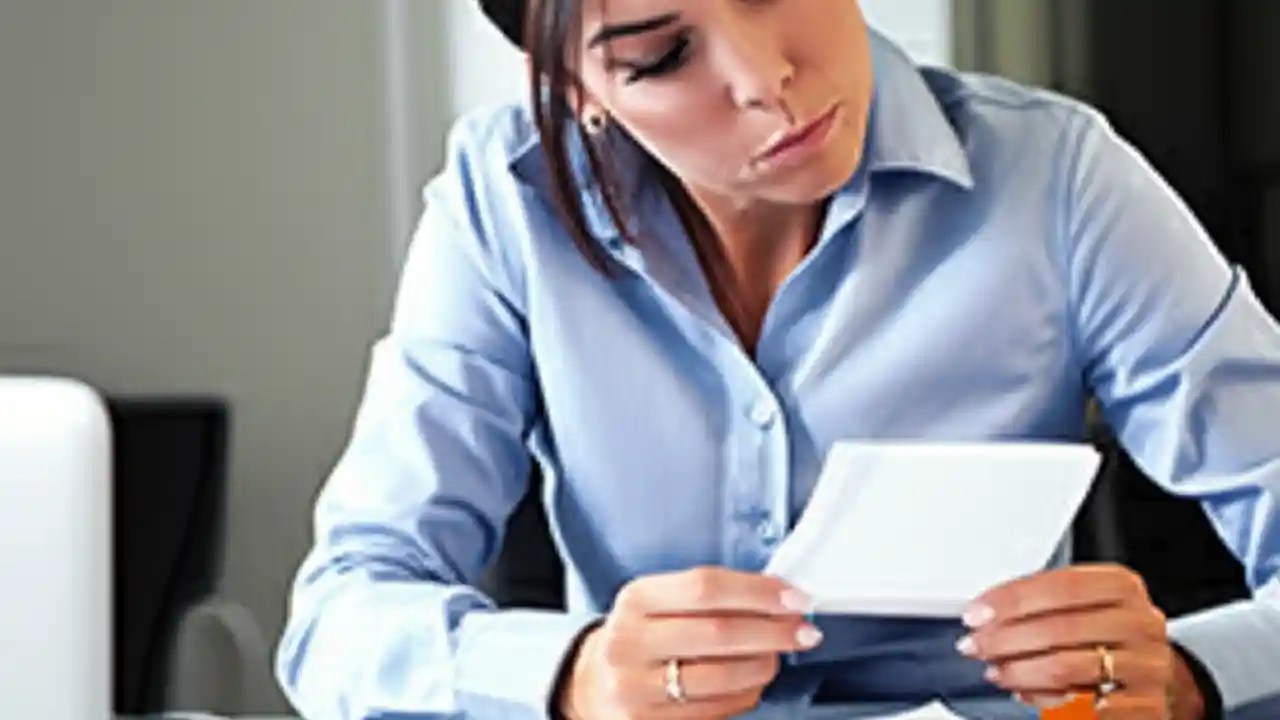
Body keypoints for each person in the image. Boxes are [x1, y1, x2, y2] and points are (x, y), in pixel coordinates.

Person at [276, 1, 1280, 718]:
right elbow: (342, 617)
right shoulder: (503, 206)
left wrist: (1188, 674)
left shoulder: (1057, 179)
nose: (764, 80)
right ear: (575, 88)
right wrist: (576, 676)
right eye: (662, 55)